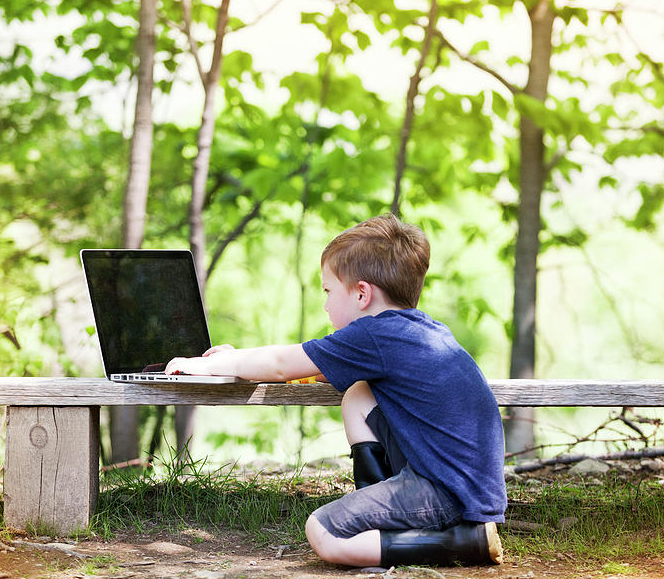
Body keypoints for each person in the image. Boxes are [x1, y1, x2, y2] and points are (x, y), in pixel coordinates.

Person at [165, 214, 506, 568]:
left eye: (328, 291)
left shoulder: (373, 335)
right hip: (467, 485)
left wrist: (214, 364)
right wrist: (251, 361)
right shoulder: (417, 330)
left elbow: (283, 363)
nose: (325, 304)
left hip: (446, 492)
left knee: (324, 532)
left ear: (361, 293)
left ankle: (464, 542)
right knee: (359, 396)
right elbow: (316, 369)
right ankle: (383, 512)